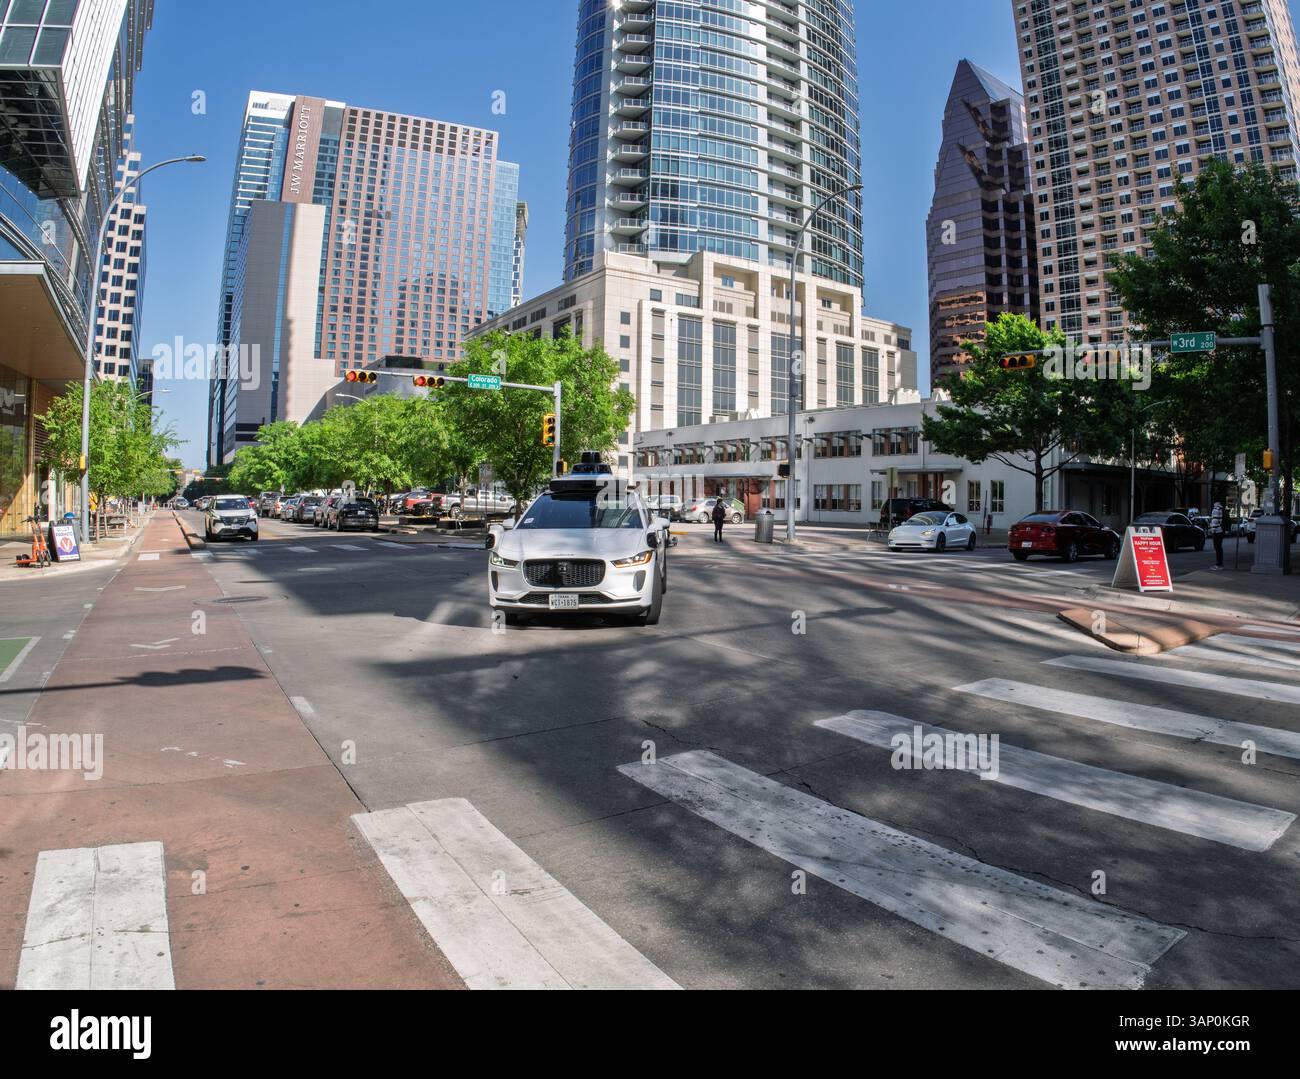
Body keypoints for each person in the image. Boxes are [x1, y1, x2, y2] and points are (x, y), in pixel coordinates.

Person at [1209, 500, 1225, 570]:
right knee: (1219, 548)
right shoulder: (1220, 509)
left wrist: (1213, 530)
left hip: (1217, 531)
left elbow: (1215, 520)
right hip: (1220, 530)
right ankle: (1220, 564)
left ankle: (1219, 565)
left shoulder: (1216, 509)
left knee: (1217, 547)